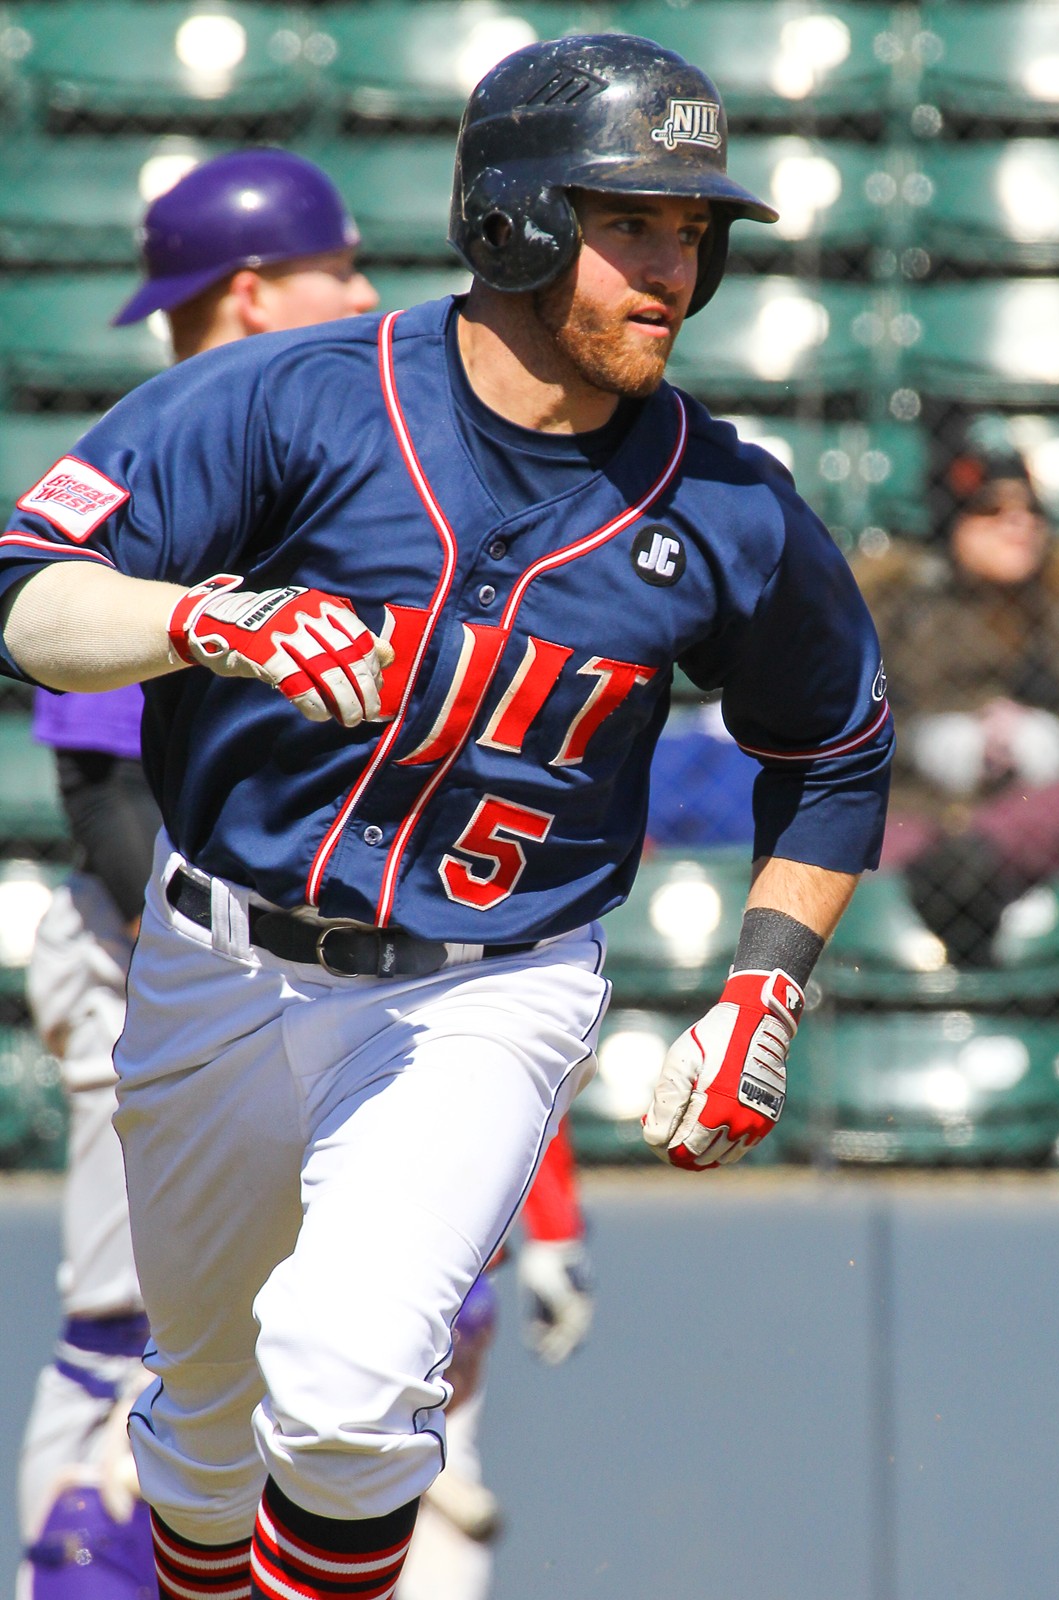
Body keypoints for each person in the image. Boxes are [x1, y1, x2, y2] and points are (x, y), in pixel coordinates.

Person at [0, 34, 893, 1599]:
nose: (673, 268)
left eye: (692, 233)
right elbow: (31, 597)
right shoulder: (293, 396)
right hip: (217, 958)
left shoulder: (729, 503)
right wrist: (210, 623)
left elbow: (832, 750)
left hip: (488, 980)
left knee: (343, 1389)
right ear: (515, 224)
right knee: (203, 1441)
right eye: (634, 223)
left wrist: (764, 981)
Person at [14, 143, 590, 1600]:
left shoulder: (386, 443)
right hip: (178, 952)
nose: (367, 286)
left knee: (380, 1366)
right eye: (337, 265)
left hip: (364, 978)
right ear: (257, 291)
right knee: (135, 1383)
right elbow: (106, 801)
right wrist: (266, 940)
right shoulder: (182, 451)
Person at [855, 424, 1059, 963]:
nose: (1019, 525)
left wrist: (1040, 736)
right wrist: (936, 740)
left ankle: (980, 852)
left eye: (1030, 511)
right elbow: (853, 722)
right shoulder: (901, 607)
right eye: (992, 510)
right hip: (916, 813)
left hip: (1029, 821)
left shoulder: (1057, 606)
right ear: (954, 523)